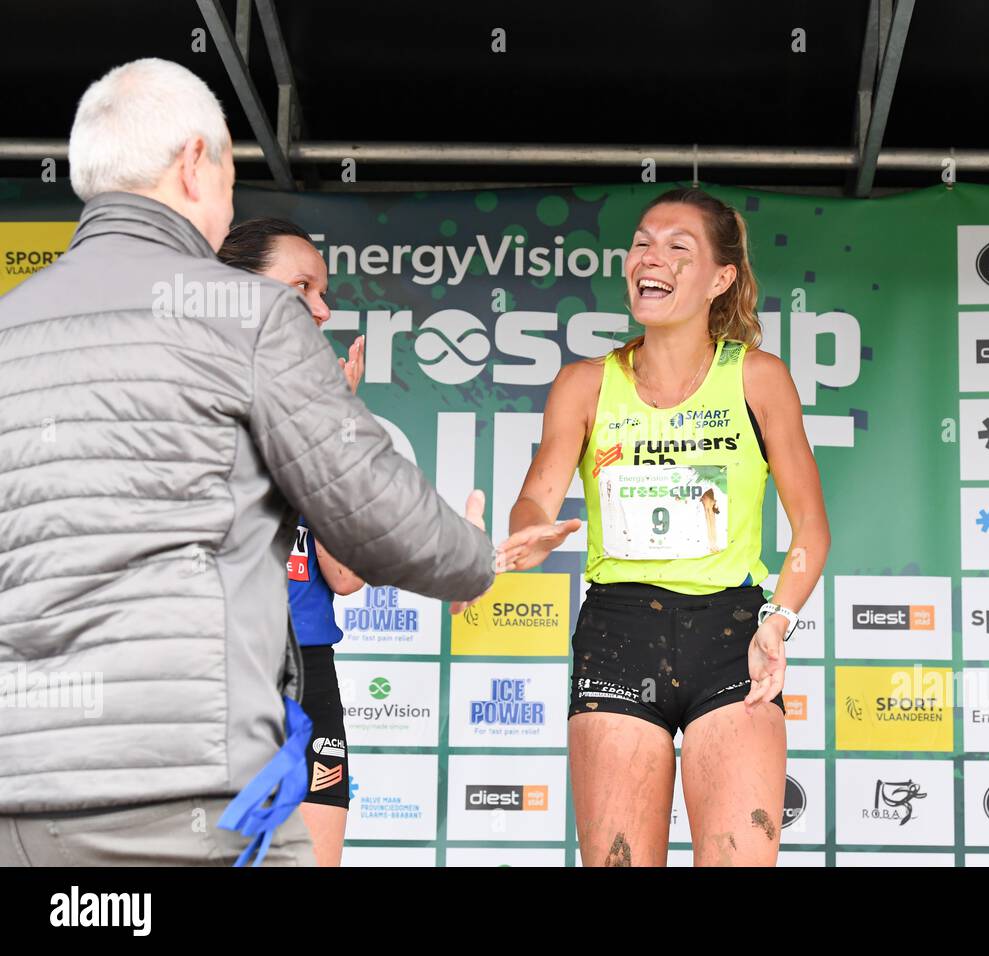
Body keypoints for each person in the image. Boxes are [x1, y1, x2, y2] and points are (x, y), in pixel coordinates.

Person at [0, 59, 496, 866]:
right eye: (231, 171)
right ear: (195, 162)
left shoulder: (8, 325)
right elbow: (382, 517)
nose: (229, 204)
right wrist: (476, 558)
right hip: (185, 797)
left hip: (17, 798)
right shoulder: (248, 314)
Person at [496, 187, 830, 866]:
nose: (653, 257)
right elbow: (532, 503)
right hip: (619, 634)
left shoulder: (759, 380)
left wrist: (780, 620)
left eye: (680, 248)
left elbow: (811, 530)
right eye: (644, 241)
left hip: (734, 636)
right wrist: (532, 530)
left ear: (720, 278)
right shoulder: (584, 384)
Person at [218, 217, 364, 867]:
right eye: (302, 288)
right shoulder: (185, 400)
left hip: (310, 666)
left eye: (323, 291)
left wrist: (331, 434)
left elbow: (346, 576)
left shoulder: (325, 418)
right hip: (217, 668)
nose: (323, 309)